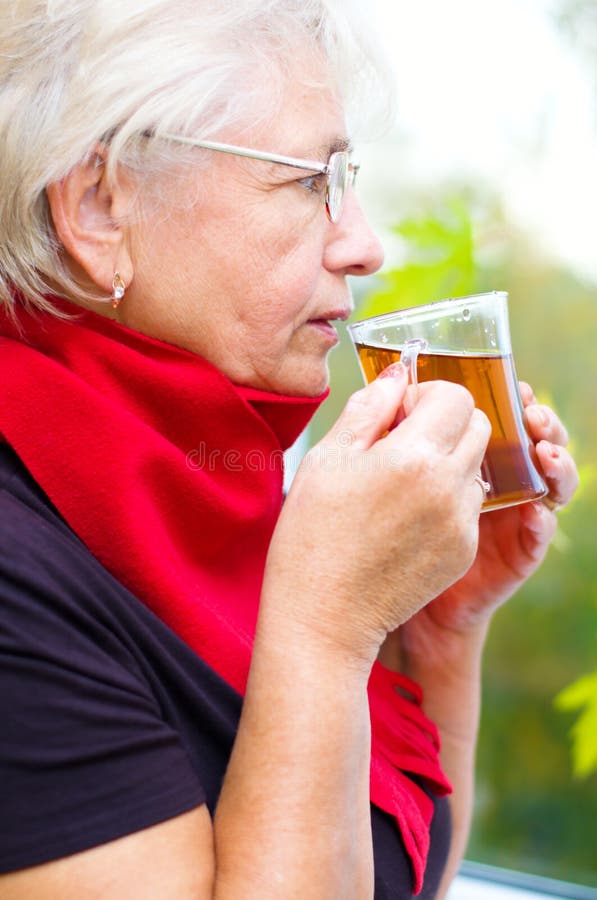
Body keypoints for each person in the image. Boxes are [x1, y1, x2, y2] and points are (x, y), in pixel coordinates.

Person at [0, 2, 578, 898]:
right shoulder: (16, 569)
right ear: (100, 206)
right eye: (312, 181)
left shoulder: (216, 479)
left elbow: (399, 880)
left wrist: (438, 627)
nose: (364, 244)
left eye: (347, 179)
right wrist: (324, 627)